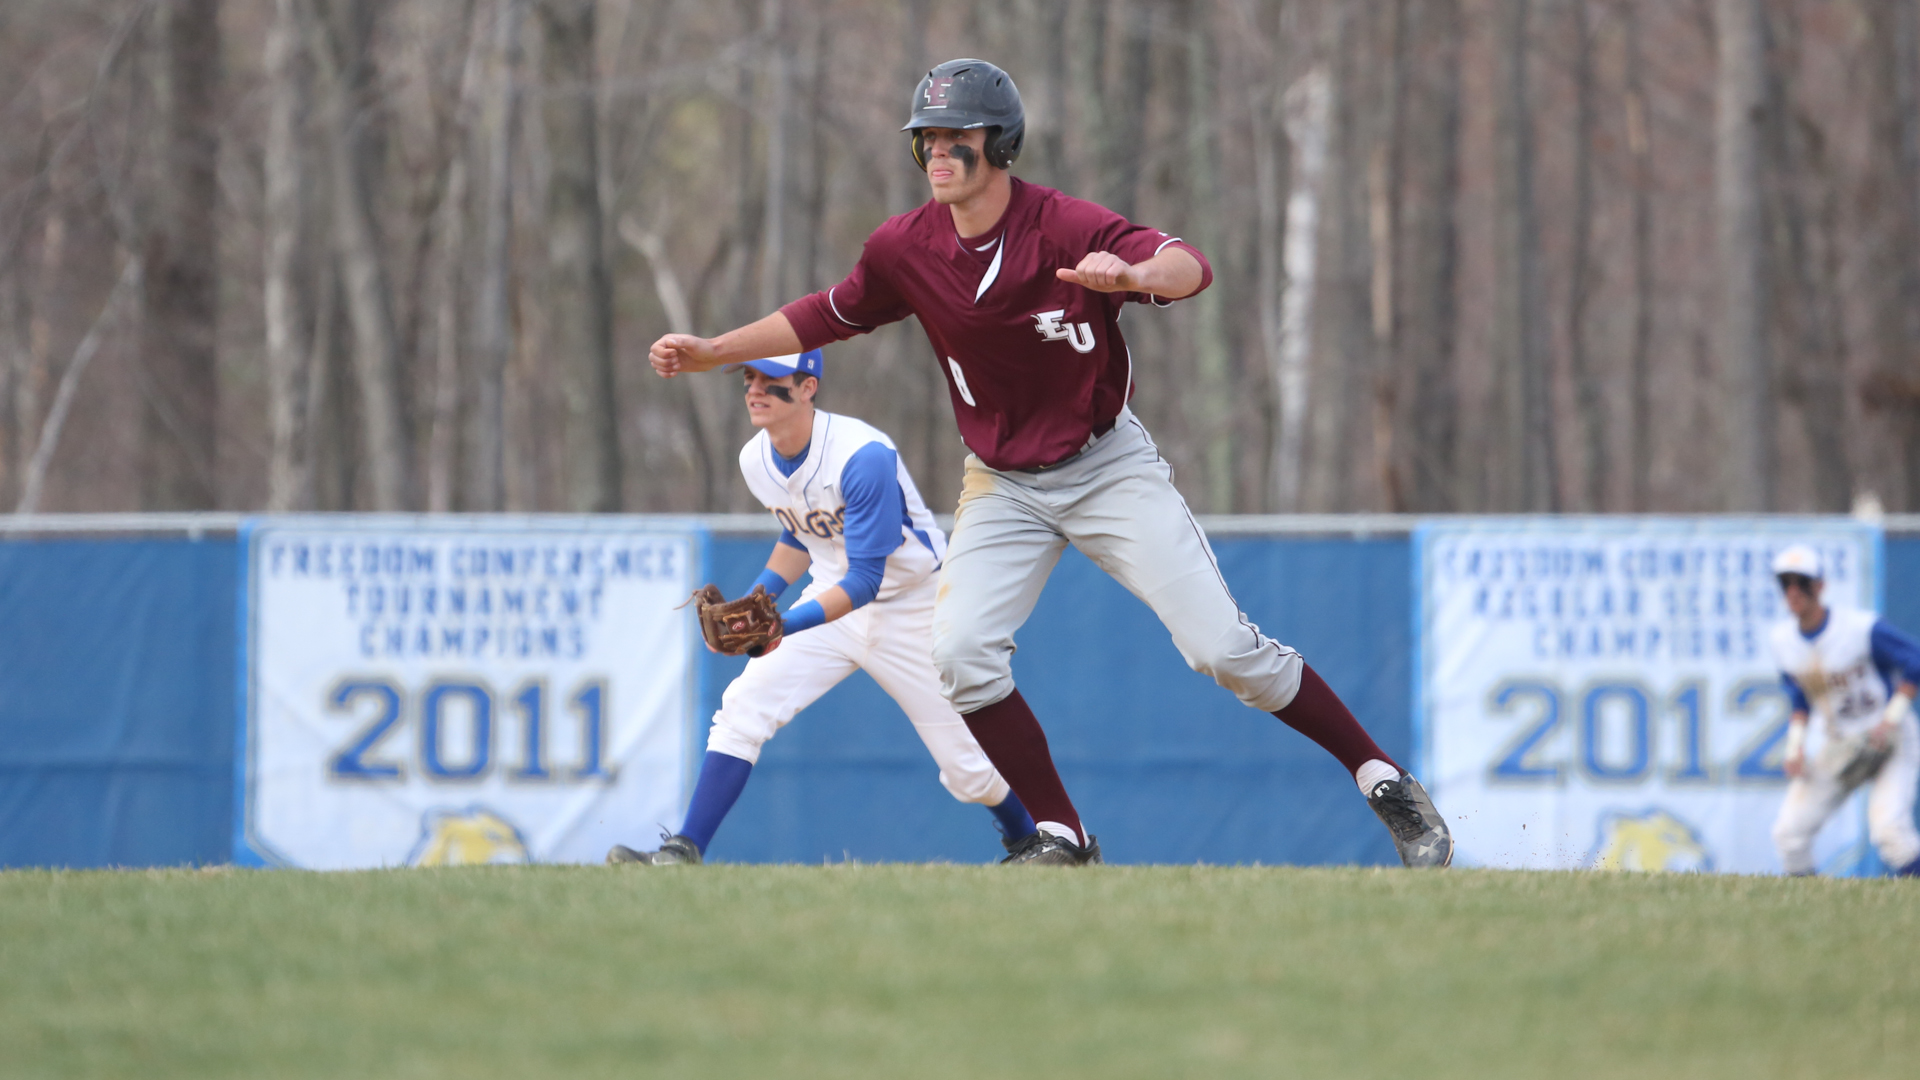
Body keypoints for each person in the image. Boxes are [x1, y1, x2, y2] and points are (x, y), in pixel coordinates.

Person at [647, 59, 1450, 868]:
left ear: (1001, 143)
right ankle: (1062, 834)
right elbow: (826, 311)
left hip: (1106, 466)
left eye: (956, 136)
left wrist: (1134, 274)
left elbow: (1190, 265)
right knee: (959, 656)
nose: (936, 151)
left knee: (1222, 651)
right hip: (1002, 482)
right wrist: (715, 350)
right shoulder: (905, 247)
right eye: (926, 137)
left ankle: (1382, 778)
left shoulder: (1063, 227)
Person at [608, 348, 1037, 865]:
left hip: (915, 605)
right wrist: (761, 599)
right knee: (743, 709)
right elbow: (801, 531)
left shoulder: (863, 457)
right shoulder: (756, 458)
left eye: (771, 379)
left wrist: (783, 624)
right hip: (832, 595)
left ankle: (1029, 840)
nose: (755, 390)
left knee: (966, 769)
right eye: (749, 378)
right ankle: (685, 848)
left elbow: (865, 580)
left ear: (808, 387)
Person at [1767, 544, 1920, 877]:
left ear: (1819, 586)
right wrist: (1794, 748)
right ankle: (1809, 916)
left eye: (1801, 582)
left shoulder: (1860, 627)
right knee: (1789, 834)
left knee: (1891, 831)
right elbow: (1800, 700)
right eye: (1786, 583)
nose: (1793, 591)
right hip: (1841, 744)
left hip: (1891, 738)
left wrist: (1891, 718)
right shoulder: (1783, 642)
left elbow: (1915, 664)